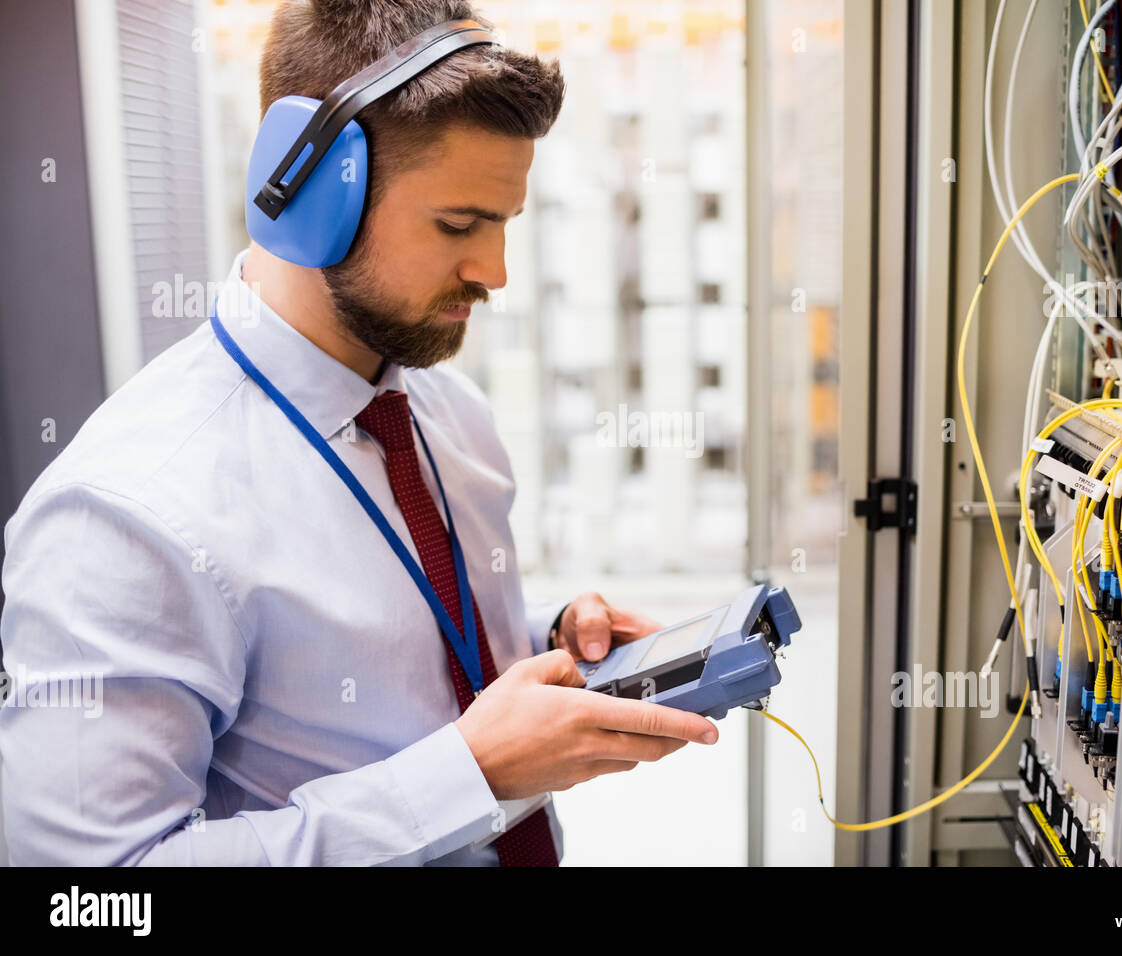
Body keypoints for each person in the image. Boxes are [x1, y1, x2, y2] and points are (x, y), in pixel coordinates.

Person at [0, 0, 717, 867]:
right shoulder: (126, 514)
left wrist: (545, 641)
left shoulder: (451, 416)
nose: (494, 272)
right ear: (307, 195)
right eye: (459, 225)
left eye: (503, 224)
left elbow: (386, 655)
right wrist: (470, 776)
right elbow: (97, 894)